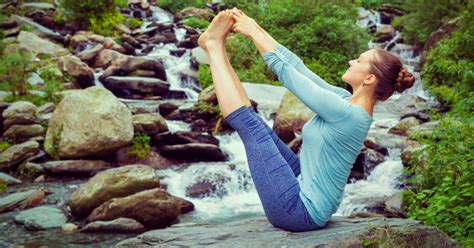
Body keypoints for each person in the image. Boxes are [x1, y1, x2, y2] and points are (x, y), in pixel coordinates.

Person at [197, 8, 415, 232]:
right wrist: (256, 27)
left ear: (369, 78)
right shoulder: (345, 101)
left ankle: (213, 47)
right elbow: (298, 67)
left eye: (359, 61)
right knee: (257, 123)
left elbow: (288, 74)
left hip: (298, 212)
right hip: (303, 182)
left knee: (250, 126)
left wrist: (253, 33)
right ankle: (216, 45)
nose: (351, 61)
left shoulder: (347, 114)